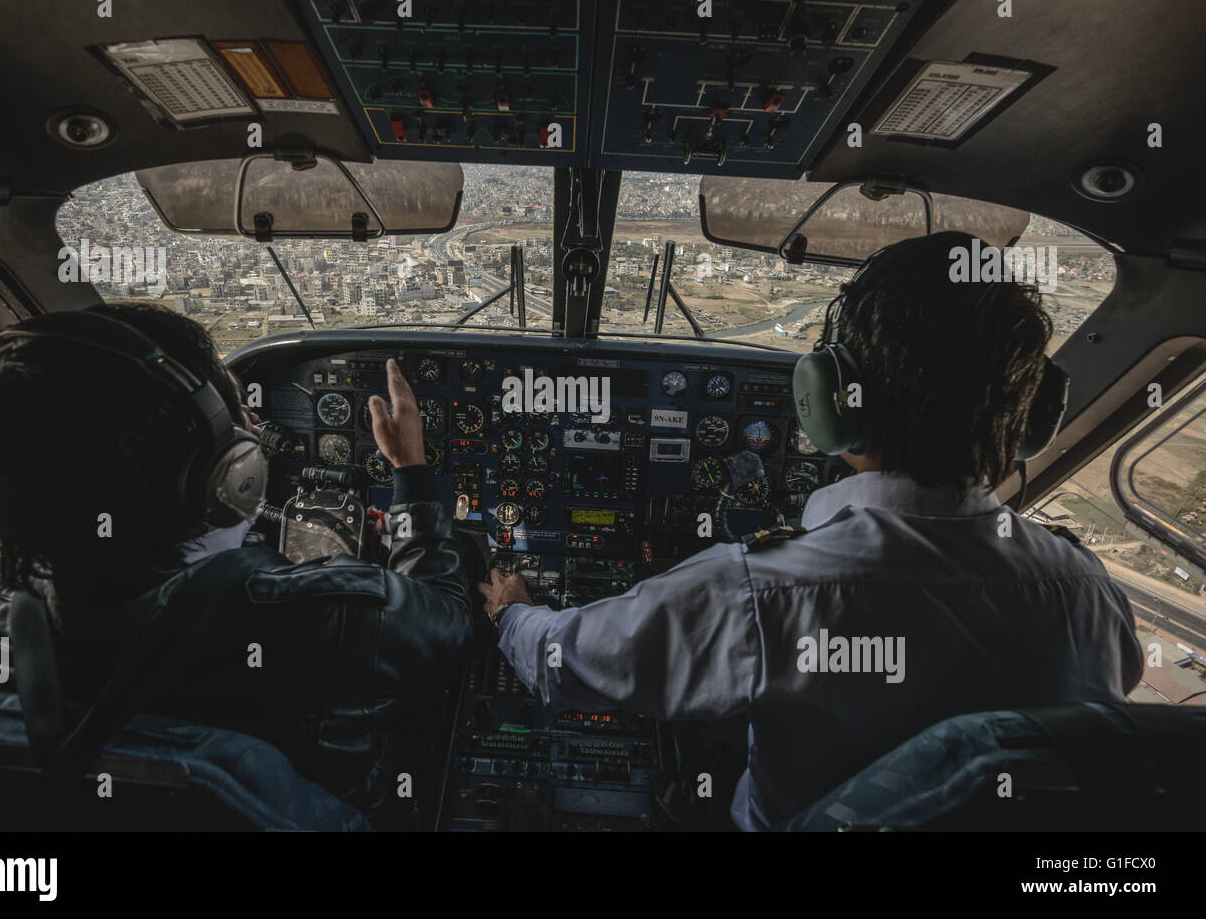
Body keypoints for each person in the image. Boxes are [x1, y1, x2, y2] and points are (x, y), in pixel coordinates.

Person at [477, 232, 1143, 830]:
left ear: (834, 400)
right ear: (1027, 421)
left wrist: (515, 614)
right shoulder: (1089, 594)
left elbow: (568, 662)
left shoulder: (762, 595)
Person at [0, 304, 472, 821]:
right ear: (222, 472)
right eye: (243, 418)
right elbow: (447, 619)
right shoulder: (332, 614)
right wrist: (411, 471)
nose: (256, 430)